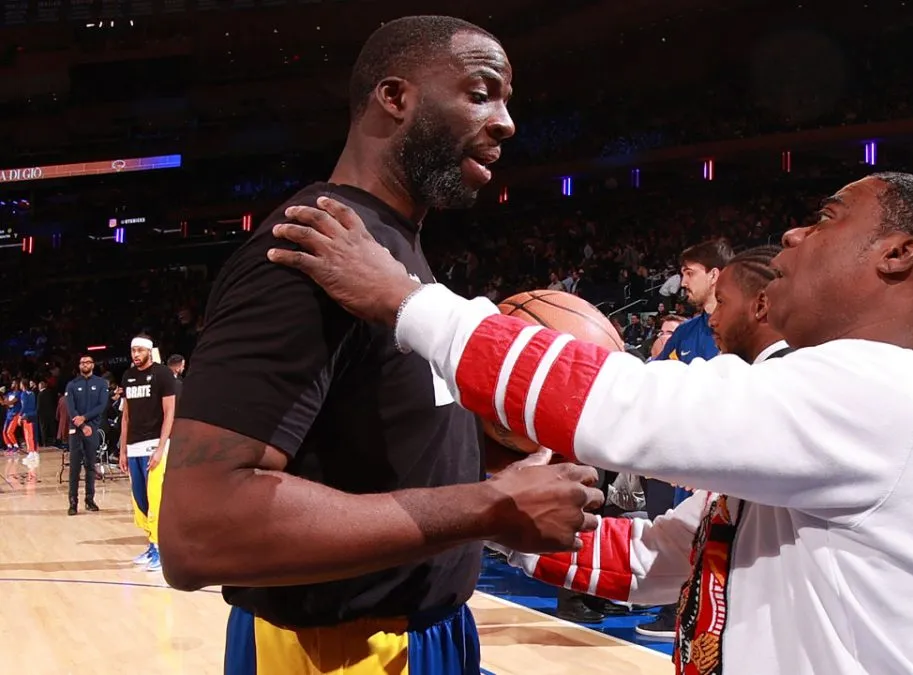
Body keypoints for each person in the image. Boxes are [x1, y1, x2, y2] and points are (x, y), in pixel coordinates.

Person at [267, 170, 913, 674]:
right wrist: (498, 514)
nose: (796, 233)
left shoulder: (897, 390)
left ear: (899, 254)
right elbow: (657, 557)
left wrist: (407, 301)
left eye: (830, 216)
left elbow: (629, 406)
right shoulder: (824, 407)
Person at [157, 17, 603, 675]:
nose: (506, 122)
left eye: (507, 100)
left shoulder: (391, 255)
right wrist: (490, 507)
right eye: (481, 93)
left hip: (429, 630)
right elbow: (200, 528)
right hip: (336, 649)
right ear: (394, 98)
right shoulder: (309, 246)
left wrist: (489, 461)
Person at [491, 243, 793, 655]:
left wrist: (434, 318)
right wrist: (500, 519)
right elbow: (654, 557)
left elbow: (641, 405)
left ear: (762, 305)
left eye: (723, 301)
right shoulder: (709, 353)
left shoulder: (796, 395)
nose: (714, 316)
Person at [636, 238, 733, 637]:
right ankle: (681, 612)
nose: (682, 282)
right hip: (686, 464)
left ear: (715, 275)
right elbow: (656, 387)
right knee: (685, 542)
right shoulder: (687, 332)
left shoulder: (738, 330)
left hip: (723, 466)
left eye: (690, 273)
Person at [120, 335, 177, 572]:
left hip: (155, 444)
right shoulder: (128, 376)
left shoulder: (163, 374)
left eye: (139, 350)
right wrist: (122, 450)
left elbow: (169, 412)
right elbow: (126, 416)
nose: (135, 354)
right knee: (140, 499)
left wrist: (161, 447)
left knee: (156, 498)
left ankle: (161, 548)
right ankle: (152, 545)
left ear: (149, 351)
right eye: (133, 350)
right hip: (133, 446)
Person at [65, 354, 108, 514]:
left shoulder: (101, 383)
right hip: (76, 430)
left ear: (93, 365)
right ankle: (73, 502)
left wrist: (85, 418)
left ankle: (89, 500)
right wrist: (82, 424)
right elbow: (70, 409)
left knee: (90, 466)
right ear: (79, 365)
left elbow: (102, 405)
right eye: (82, 362)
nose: (85, 364)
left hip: (92, 428)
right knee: (74, 467)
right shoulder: (72, 385)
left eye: (88, 362)